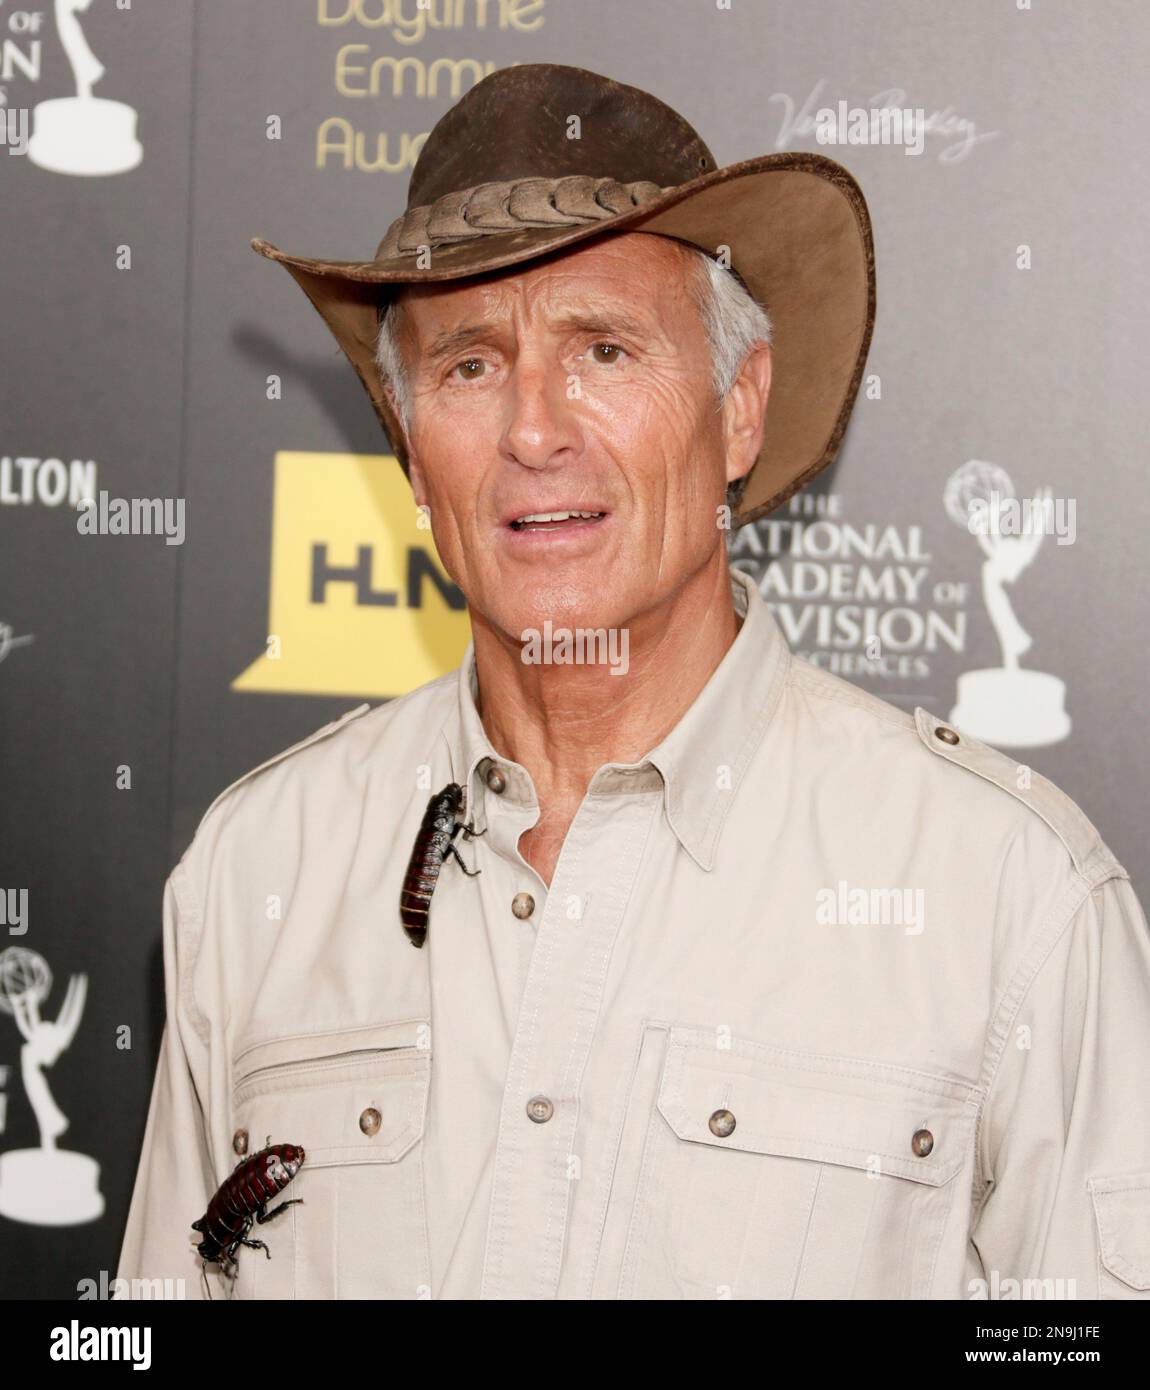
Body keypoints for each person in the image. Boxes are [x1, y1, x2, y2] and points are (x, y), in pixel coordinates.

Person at [116, 63, 1150, 1301]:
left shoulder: (1010, 900)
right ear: (409, 450)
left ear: (740, 410)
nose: (534, 430)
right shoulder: (255, 875)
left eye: (602, 349)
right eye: (467, 366)